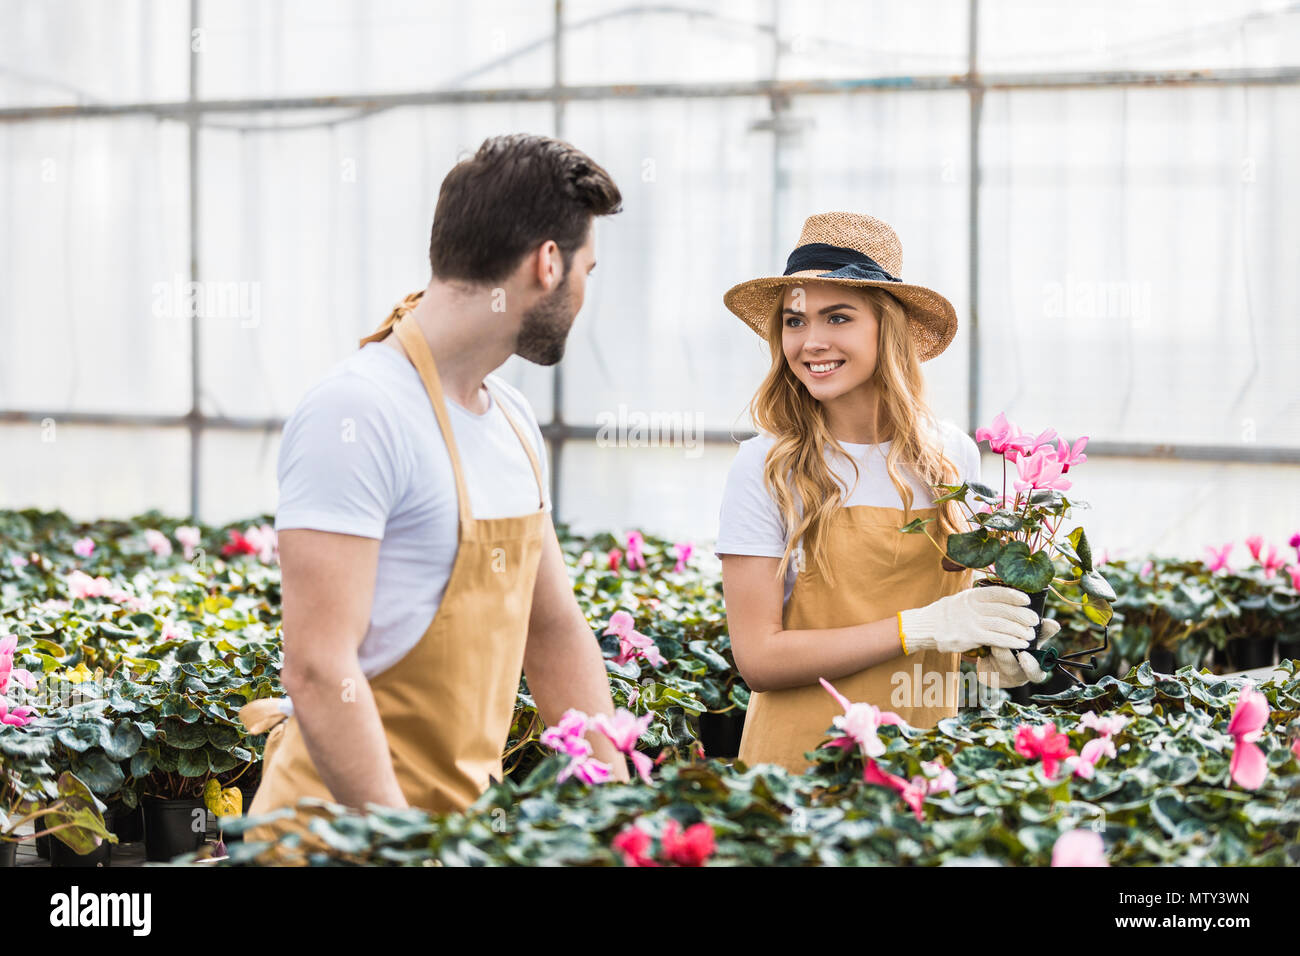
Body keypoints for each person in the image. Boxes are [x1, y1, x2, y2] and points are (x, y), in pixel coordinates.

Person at [238, 134, 627, 853]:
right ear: (547, 263)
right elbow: (320, 671)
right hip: (340, 840)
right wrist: (406, 847)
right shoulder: (358, 411)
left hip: (454, 835)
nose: (582, 295)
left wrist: (614, 807)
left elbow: (552, 630)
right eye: (586, 271)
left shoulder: (509, 422)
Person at [714, 211, 1056, 775]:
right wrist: (918, 627)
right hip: (798, 772)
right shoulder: (766, 466)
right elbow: (760, 660)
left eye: (838, 317)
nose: (811, 341)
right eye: (795, 321)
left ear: (886, 328)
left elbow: (953, 617)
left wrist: (996, 648)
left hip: (923, 761)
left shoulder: (950, 457)